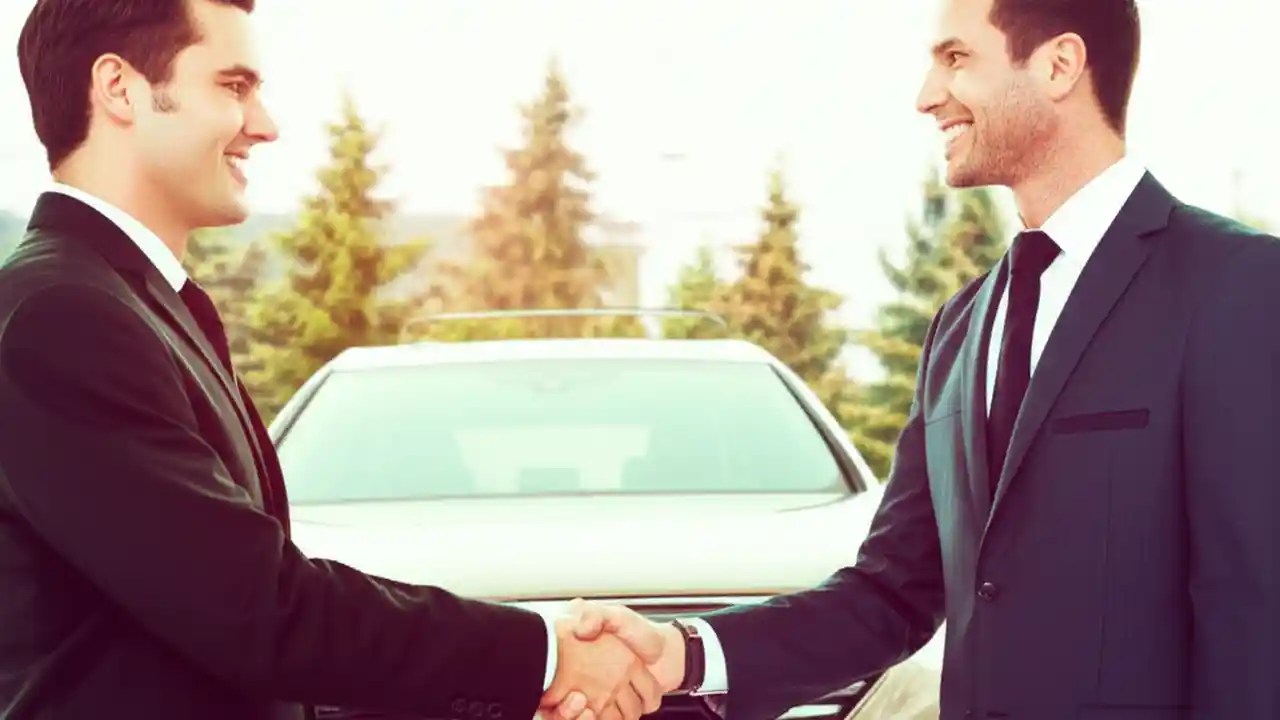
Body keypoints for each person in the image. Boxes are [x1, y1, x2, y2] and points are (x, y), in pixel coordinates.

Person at [552, 0, 1280, 717]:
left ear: (1059, 65)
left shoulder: (1236, 288)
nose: (926, 97)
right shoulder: (961, 327)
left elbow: (1254, 613)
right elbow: (889, 594)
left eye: (956, 58)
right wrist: (680, 652)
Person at [0, 1, 662, 718]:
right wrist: (545, 657)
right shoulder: (61, 317)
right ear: (120, 88)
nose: (265, 123)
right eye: (232, 86)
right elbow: (257, 611)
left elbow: (240, 648)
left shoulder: (128, 301)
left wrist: (506, 688)